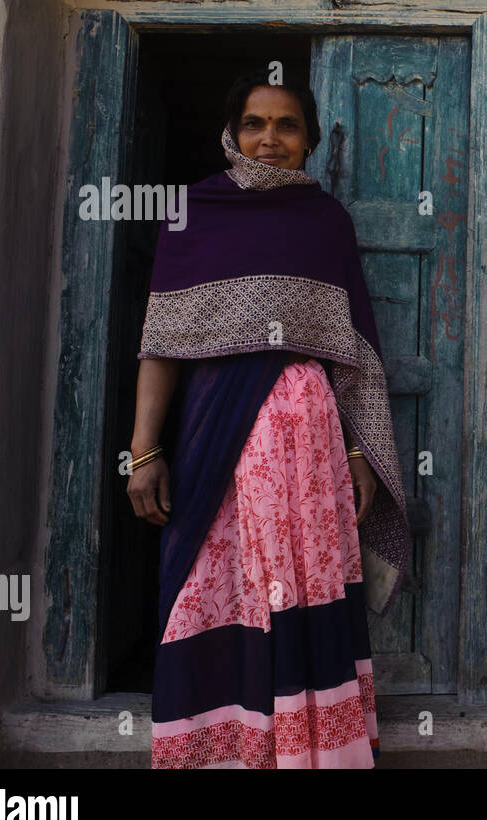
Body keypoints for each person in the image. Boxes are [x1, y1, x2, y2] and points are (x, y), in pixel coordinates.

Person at [126, 69, 411, 769]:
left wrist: (356, 454)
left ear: (310, 139)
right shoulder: (193, 213)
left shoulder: (325, 223)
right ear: (231, 132)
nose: (270, 138)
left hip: (310, 436)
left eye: (287, 125)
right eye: (255, 122)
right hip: (216, 434)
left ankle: (311, 746)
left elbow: (351, 355)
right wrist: (143, 451)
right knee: (213, 580)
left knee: (306, 577)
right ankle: (227, 747)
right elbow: (161, 345)